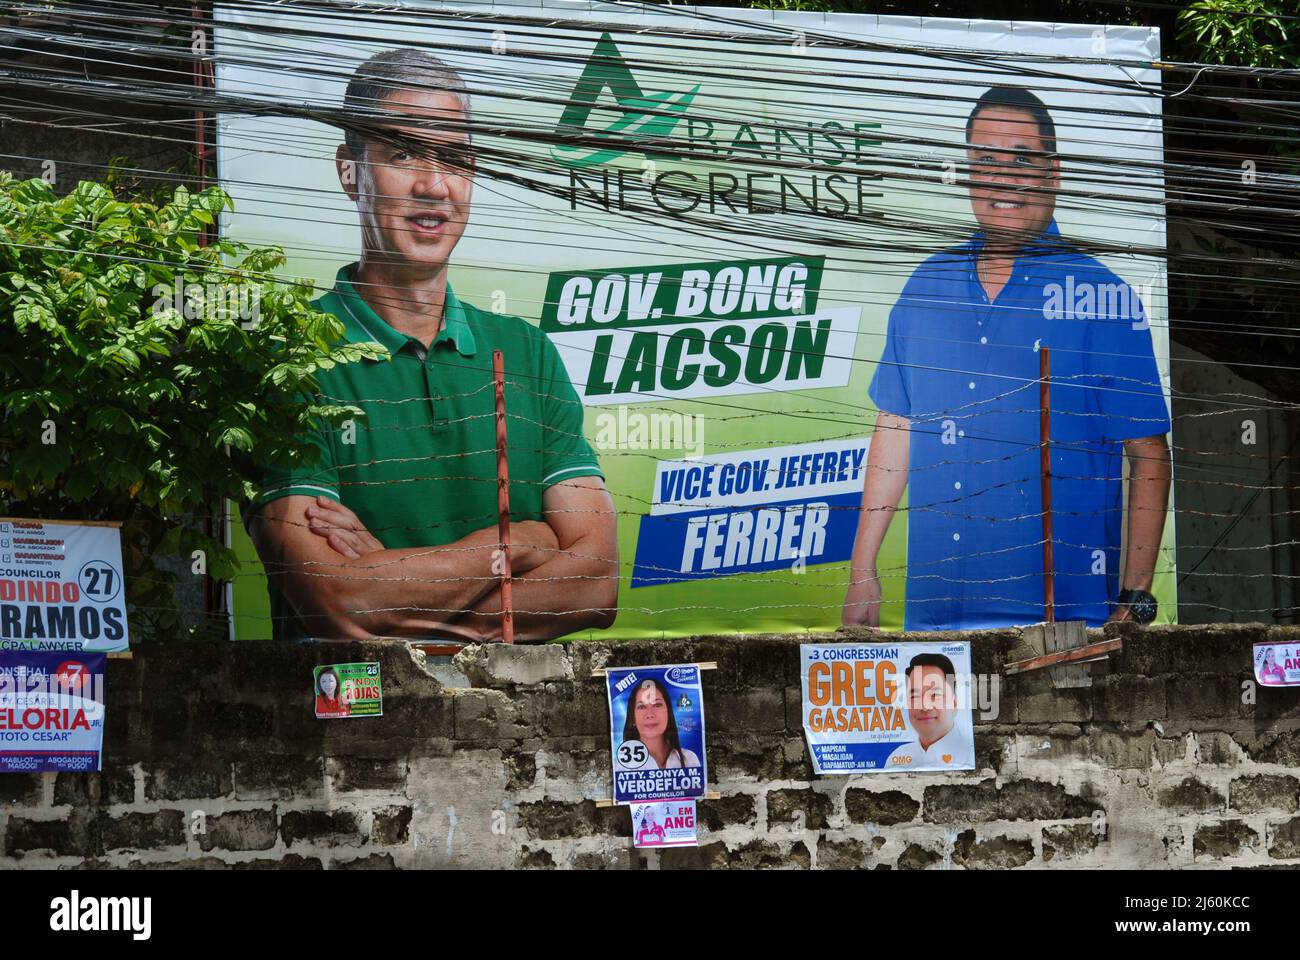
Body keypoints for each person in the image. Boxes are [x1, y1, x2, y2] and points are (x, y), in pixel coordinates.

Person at [246, 48, 618, 643]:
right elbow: (337, 602)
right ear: (350, 171)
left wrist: (388, 582)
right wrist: (515, 544)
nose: (433, 186)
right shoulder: (288, 358)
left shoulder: (527, 354)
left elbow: (597, 584)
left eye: (454, 158)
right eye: (402, 154)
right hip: (346, 727)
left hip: (515, 733)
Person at [843, 86, 1172, 631]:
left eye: (1021, 159)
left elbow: (1148, 453)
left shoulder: (1102, 297)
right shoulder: (927, 285)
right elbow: (896, 427)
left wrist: (1135, 602)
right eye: (986, 161)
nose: (1002, 180)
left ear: (1053, 172)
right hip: (936, 620)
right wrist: (862, 570)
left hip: (1065, 627)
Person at [888, 653, 970, 765]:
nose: (924, 706)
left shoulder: (970, 755)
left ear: (954, 703)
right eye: (915, 696)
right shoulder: (896, 759)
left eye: (934, 694)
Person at [619, 678, 701, 770]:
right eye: (641, 707)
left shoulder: (689, 759)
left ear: (668, 712)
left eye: (657, 705)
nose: (650, 714)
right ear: (633, 718)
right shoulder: (620, 766)